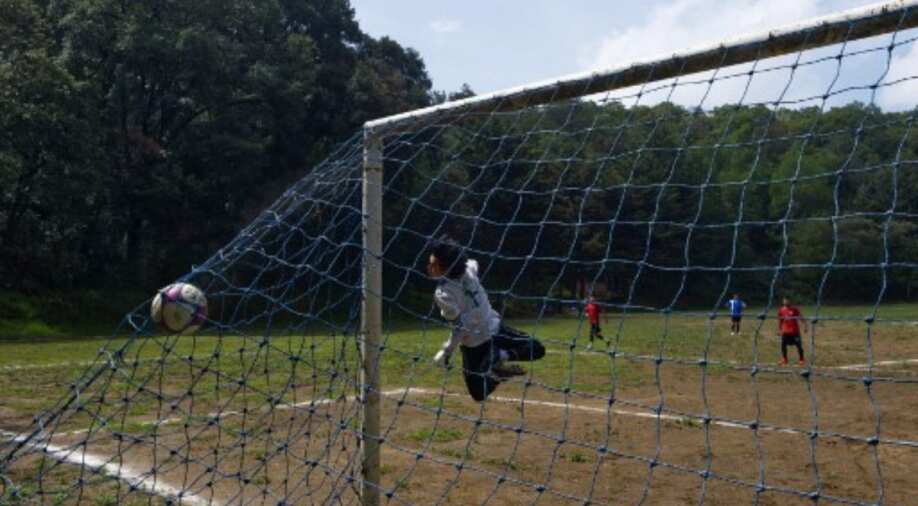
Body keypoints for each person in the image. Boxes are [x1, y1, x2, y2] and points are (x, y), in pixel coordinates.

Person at [427, 236, 546, 401]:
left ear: (447, 267)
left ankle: (498, 357)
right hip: (496, 329)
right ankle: (499, 365)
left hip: (475, 343)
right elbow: (473, 262)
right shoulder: (468, 269)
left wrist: (446, 351)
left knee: (478, 393)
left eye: (434, 265)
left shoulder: (443, 294)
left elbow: (460, 326)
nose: (429, 268)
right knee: (537, 348)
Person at [777, 297, 808, 365]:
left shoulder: (794, 309)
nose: (785, 301)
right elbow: (780, 321)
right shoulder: (781, 310)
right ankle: (785, 359)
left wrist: (805, 325)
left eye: (787, 300)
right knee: (783, 345)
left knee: (799, 345)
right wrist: (779, 330)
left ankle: (801, 359)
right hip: (785, 332)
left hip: (794, 332)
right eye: (784, 300)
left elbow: (801, 317)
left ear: (790, 301)